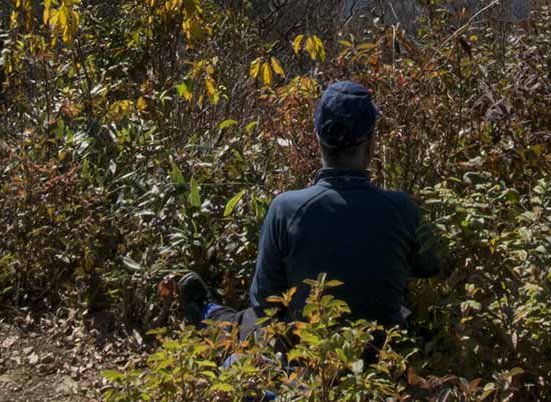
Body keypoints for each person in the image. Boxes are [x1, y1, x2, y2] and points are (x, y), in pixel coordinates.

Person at [179, 80, 444, 336]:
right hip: (382, 359)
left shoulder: (286, 209)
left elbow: (265, 304)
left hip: (303, 357)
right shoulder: (402, 208)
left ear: (317, 136)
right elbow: (432, 265)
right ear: (371, 140)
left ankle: (210, 315)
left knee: (247, 323)